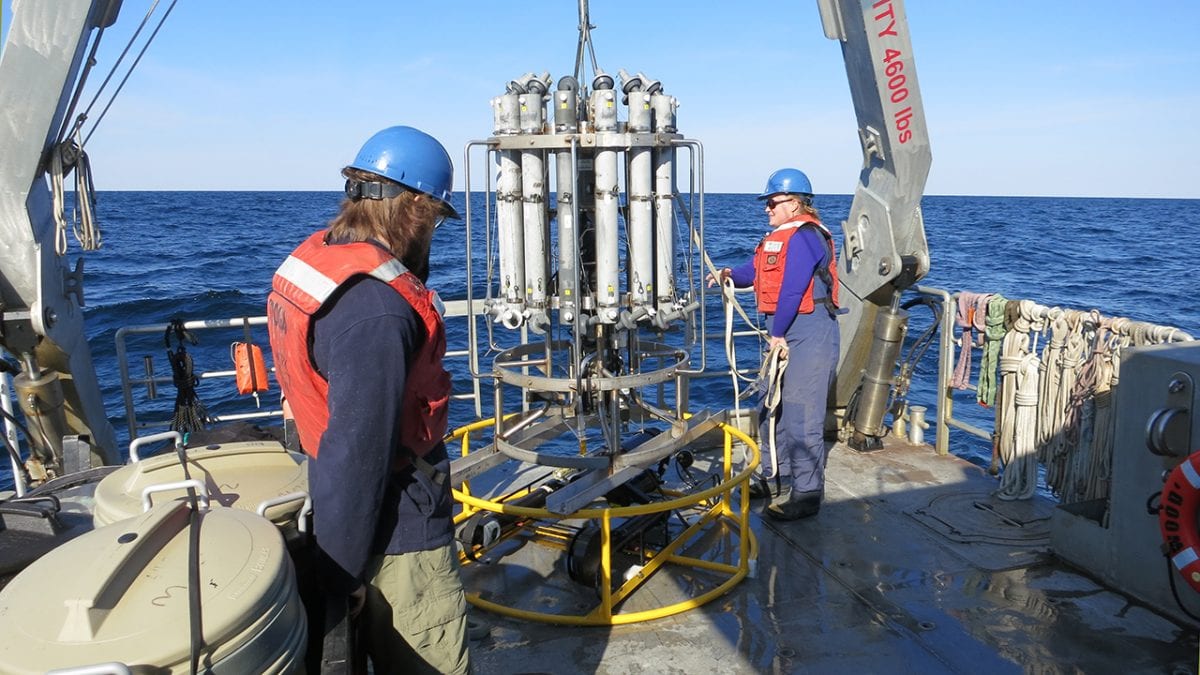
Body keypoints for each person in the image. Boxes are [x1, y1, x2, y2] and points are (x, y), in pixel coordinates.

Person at [267, 125, 471, 673]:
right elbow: (357, 455)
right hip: (399, 531)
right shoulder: (377, 311)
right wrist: (344, 576)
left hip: (336, 503)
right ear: (416, 207)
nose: (432, 233)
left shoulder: (320, 260)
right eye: (434, 218)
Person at [706, 168, 841, 521]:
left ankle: (807, 493)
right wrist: (728, 274)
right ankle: (774, 477)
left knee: (801, 413)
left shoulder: (807, 236)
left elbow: (793, 290)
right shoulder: (778, 238)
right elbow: (754, 271)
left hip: (808, 331)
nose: (767, 208)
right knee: (771, 408)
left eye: (772, 202)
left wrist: (777, 333)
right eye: (766, 203)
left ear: (794, 203)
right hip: (783, 332)